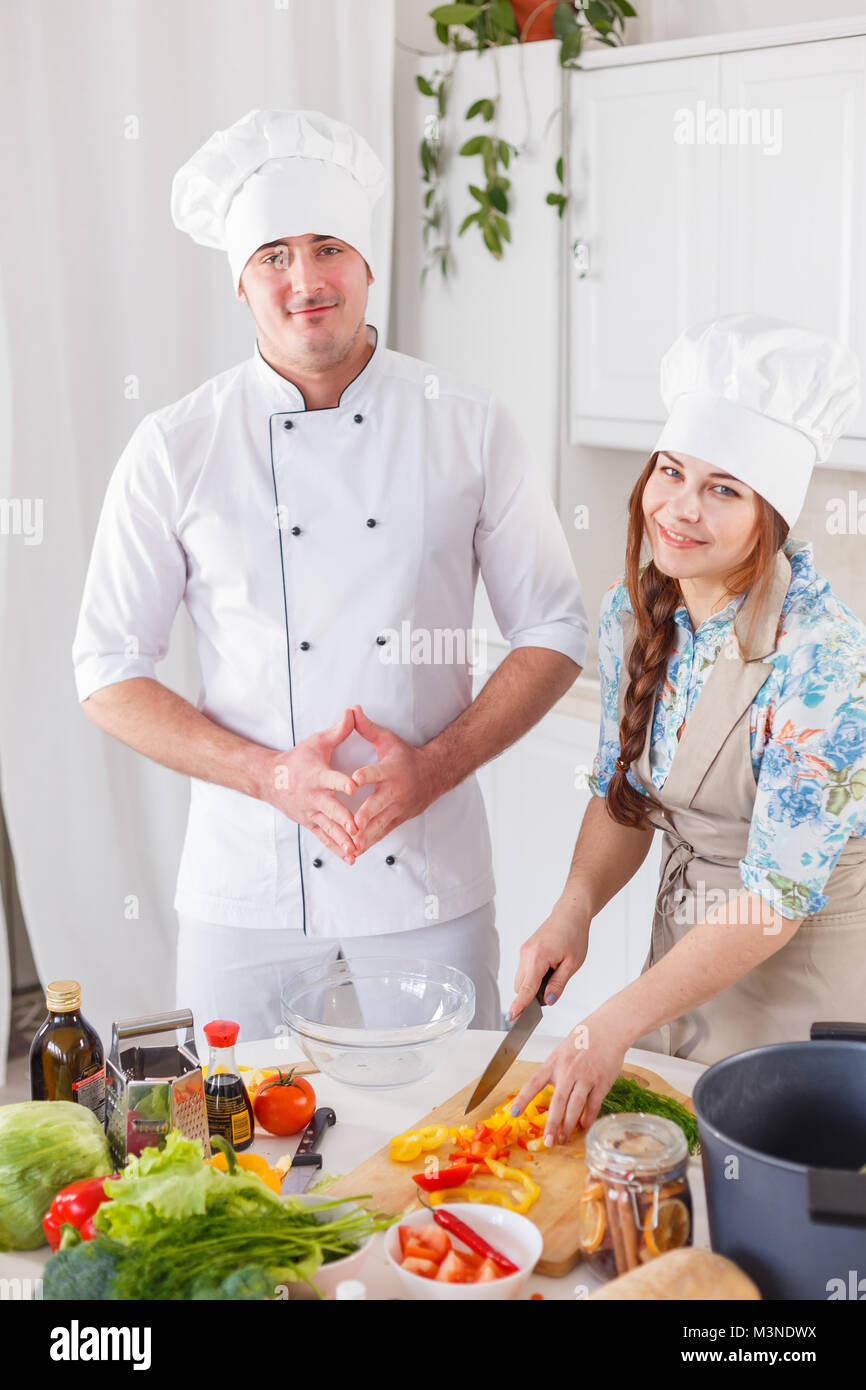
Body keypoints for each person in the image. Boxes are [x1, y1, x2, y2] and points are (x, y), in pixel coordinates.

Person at [72, 109, 588, 1046]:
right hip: (247, 881)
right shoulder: (176, 446)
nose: (305, 280)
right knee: (234, 1140)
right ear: (240, 280)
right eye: (273, 254)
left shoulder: (467, 424)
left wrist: (428, 772)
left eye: (328, 248)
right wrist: (271, 776)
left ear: (367, 265)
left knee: (448, 1140)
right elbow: (107, 672)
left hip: (427, 872)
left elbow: (554, 628)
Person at [507, 314, 866, 1146]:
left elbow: (774, 900)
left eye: (724, 488)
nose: (680, 508)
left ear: (769, 511)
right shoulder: (634, 615)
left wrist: (614, 1020)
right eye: (672, 471)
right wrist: (576, 906)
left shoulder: (824, 659)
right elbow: (620, 794)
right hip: (677, 989)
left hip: (804, 1013)